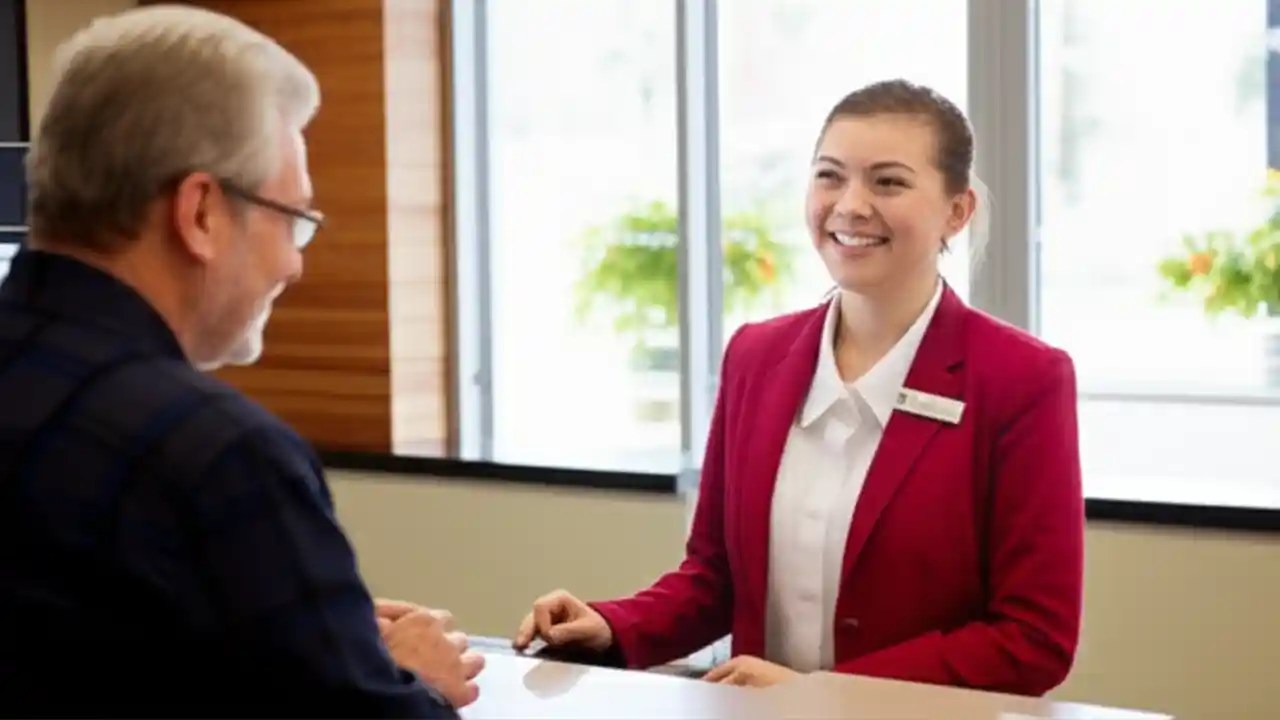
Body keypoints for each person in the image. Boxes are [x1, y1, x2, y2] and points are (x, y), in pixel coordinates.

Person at [513, 79, 1084, 696]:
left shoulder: (1022, 379)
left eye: (888, 182)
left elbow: (1032, 638)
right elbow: (715, 579)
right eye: (830, 176)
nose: (850, 205)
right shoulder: (756, 357)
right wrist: (611, 625)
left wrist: (822, 693)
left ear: (957, 210)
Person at [0, 6, 479, 717]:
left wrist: (300, 628)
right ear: (200, 213)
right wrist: (414, 683)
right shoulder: (217, 457)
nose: (293, 263)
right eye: (295, 219)